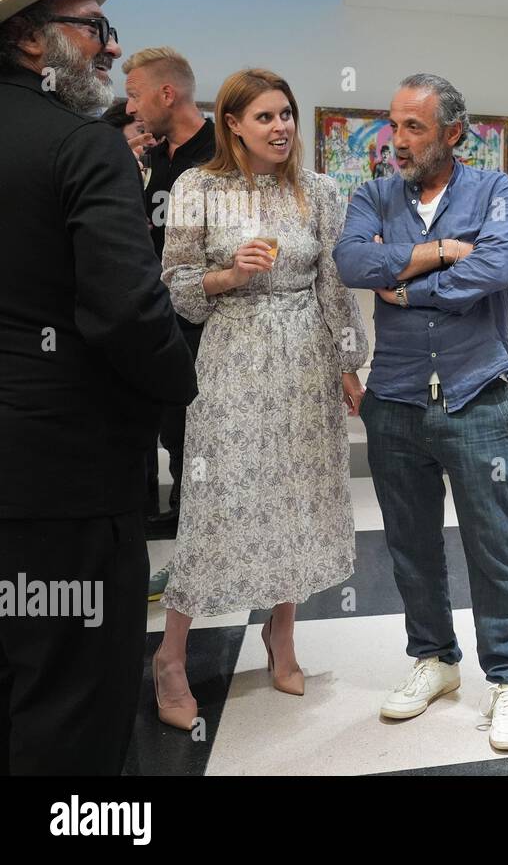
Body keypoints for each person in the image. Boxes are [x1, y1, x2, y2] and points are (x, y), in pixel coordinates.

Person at [0, 0, 197, 774]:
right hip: (66, 484)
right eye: (95, 28)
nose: (111, 47)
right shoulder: (82, 146)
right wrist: (180, 386)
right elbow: (125, 312)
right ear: (32, 40)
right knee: (73, 700)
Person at [152, 68, 368, 728]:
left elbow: (333, 281)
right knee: (219, 501)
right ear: (235, 124)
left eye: (287, 115)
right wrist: (228, 272)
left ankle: (283, 634)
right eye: (265, 117)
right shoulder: (199, 188)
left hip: (304, 358)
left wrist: (348, 362)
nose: (281, 128)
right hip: (232, 358)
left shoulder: (321, 191)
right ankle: (170, 656)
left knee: (295, 497)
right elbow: (176, 287)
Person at [333, 72, 508, 752]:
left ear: (454, 133)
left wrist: (408, 287)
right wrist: (444, 253)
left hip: (475, 393)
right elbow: (352, 263)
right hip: (392, 400)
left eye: (414, 127)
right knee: (411, 544)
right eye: (393, 125)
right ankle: (436, 661)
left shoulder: (495, 191)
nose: (397, 140)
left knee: (494, 542)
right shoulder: (373, 194)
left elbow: (497, 270)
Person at [125, 47, 215, 552]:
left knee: (205, 424)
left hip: (211, 314)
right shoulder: (155, 157)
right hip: (163, 314)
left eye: (136, 95)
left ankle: (206, 520)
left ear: (167, 93)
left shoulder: (223, 153)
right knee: (175, 423)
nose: (132, 108)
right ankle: (184, 510)